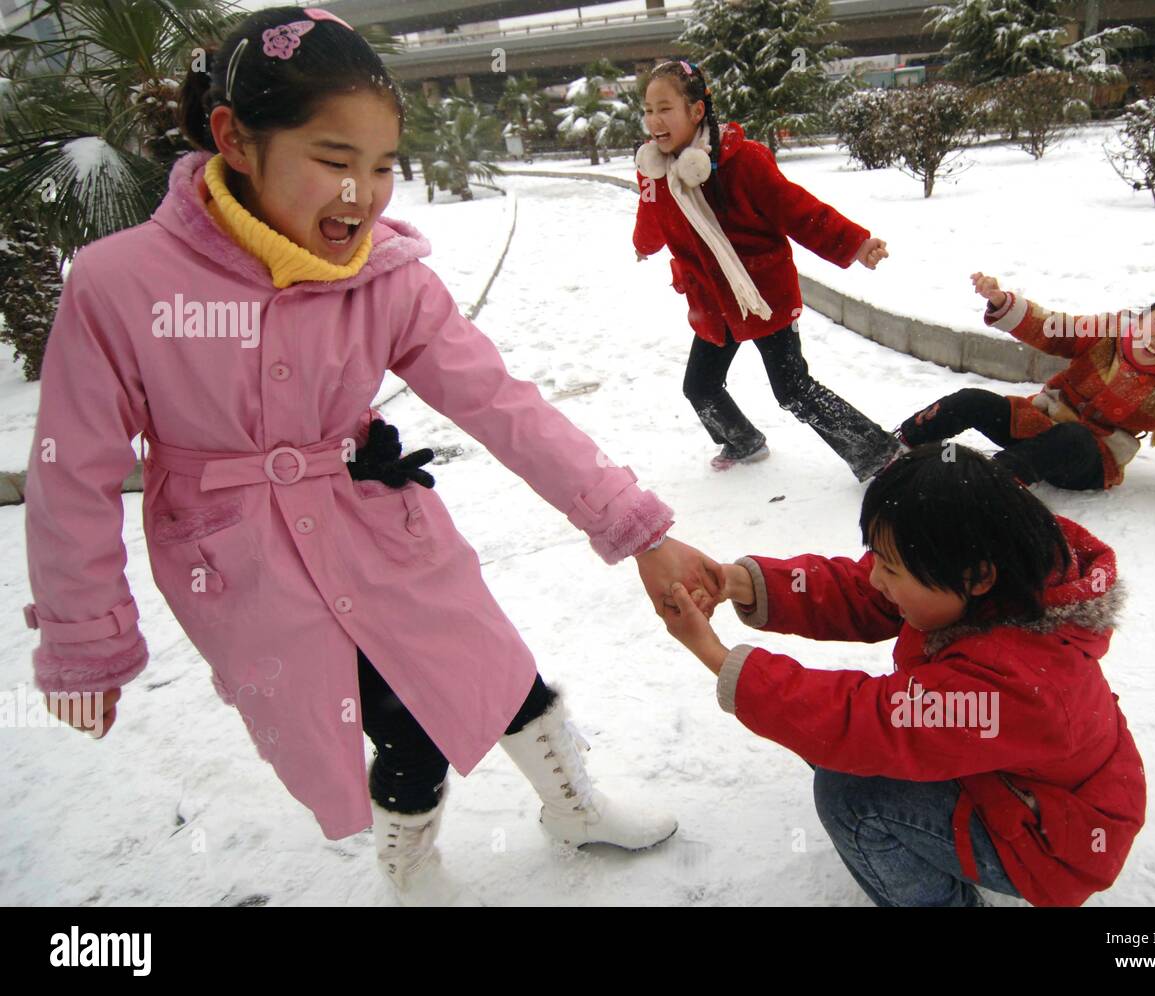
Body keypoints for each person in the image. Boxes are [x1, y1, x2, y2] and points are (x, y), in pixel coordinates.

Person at [24, 6, 718, 905]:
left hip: (373, 518)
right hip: (238, 563)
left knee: (494, 663)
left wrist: (635, 530)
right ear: (236, 139)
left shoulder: (385, 278)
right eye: (332, 161)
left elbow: (501, 404)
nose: (362, 194)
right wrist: (87, 644)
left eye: (383, 166)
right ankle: (412, 864)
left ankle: (570, 804)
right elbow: (70, 473)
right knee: (403, 720)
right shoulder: (123, 285)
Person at [661, 444, 1147, 907]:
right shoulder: (993, 567)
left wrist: (714, 654)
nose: (876, 578)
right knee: (836, 741)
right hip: (1014, 774)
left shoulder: (1013, 684)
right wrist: (737, 581)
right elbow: (862, 592)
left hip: (1057, 841)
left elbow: (871, 721)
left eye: (890, 568)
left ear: (978, 576)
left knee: (853, 792)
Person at [633, 59, 898, 481]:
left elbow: (796, 209)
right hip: (711, 302)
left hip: (762, 296)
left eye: (665, 108)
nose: (653, 120)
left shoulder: (744, 160)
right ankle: (743, 440)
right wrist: (642, 246)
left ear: (696, 111)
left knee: (793, 389)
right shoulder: (655, 171)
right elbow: (651, 217)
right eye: (648, 109)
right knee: (699, 387)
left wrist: (854, 243)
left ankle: (878, 451)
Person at [897, 273, 1155, 547]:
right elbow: (1051, 328)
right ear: (1143, 318)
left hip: (1090, 460)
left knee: (1073, 437)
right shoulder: (1107, 332)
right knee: (971, 400)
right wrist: (1003, 303)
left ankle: (984, 490)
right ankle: (898, 444)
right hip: (1040, 423)